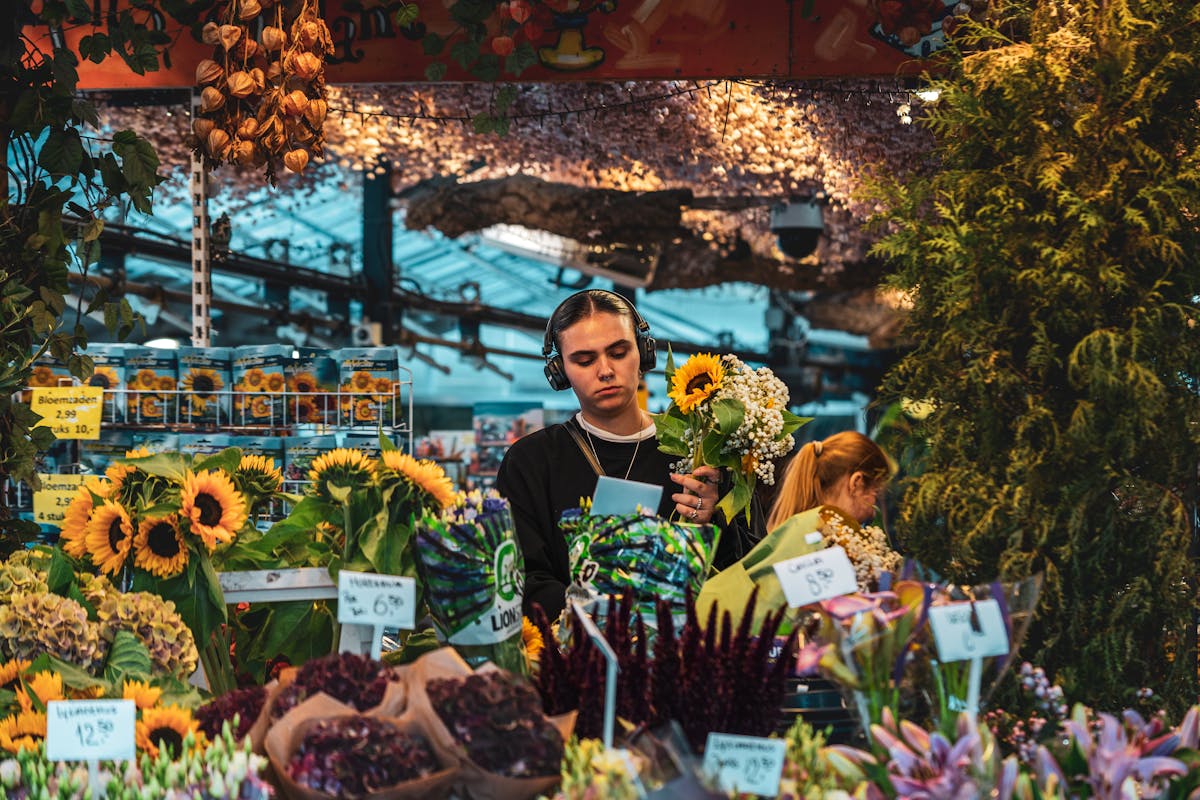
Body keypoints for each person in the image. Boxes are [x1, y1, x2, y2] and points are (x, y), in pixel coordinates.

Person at [496, 289, 727, 620]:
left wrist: (712, 522)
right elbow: (520, 577)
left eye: (618, 353)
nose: (604, 370)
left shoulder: (699, 449)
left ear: (644, 355)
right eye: (585, 360)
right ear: (559, 372)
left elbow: (743, 567)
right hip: (573, 655)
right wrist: (596, 618)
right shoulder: (531, 462)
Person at [766, 431, 892, 529]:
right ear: (856, 483)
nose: (873, 513)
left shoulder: (790, 535)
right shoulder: (828, 546)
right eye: (875, 492)